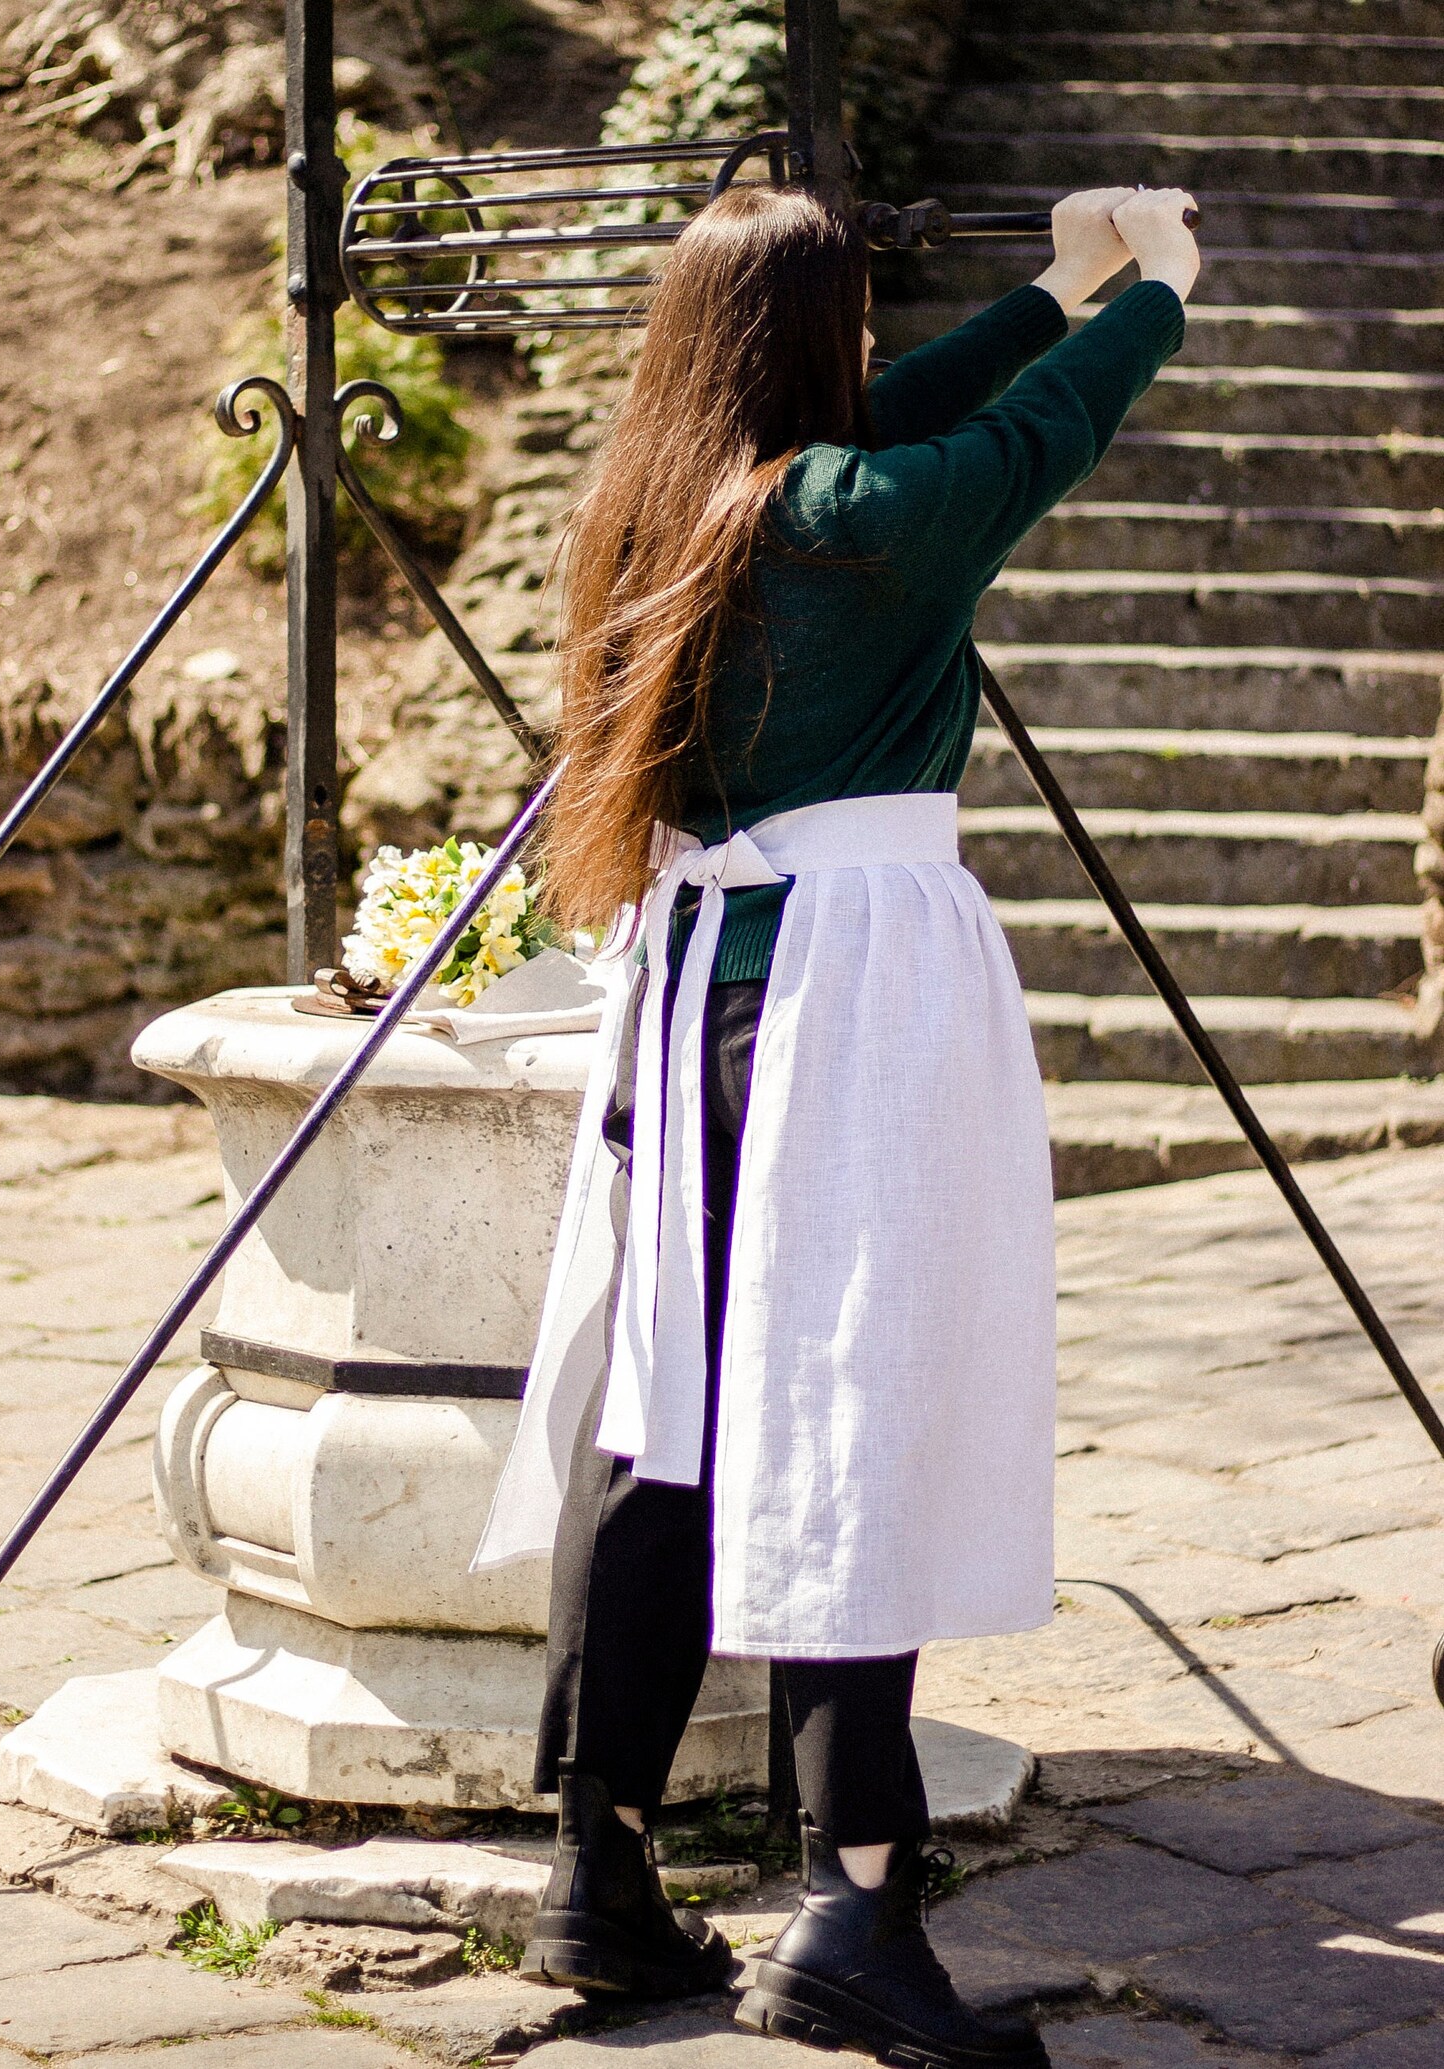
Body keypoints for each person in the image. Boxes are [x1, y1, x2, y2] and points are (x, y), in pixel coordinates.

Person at [473, 182, 1201, 2069]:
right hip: (836, 1004)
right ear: (815, 343)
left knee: (668, 1410)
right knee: (843, 1411)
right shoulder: (862, 526)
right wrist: (1156, 300)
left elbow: (917, 413)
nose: (876, 357)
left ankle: (600, 1858)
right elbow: (1024, 439)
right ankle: (855, 1899)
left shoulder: (672, 505)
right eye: (857, 328)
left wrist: (1062, 278)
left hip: (700, 993)